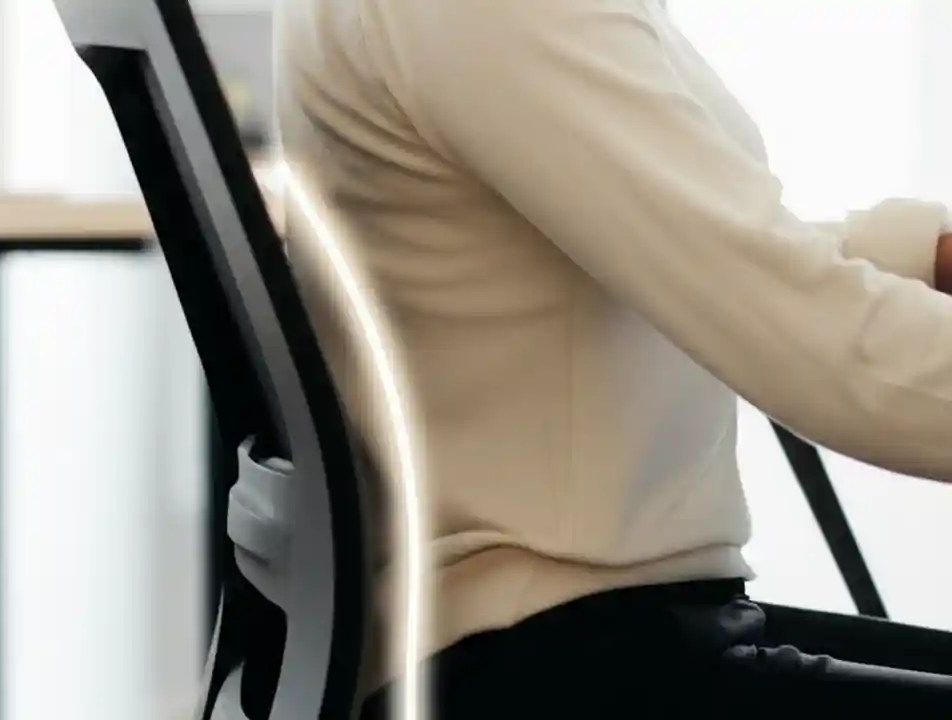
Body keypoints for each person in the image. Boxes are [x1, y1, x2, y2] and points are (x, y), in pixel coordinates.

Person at [273, 0, 952, 715]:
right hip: (552, 664)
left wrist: (918, 252)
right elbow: (823, 350)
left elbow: (668, 248)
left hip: (574, 634)